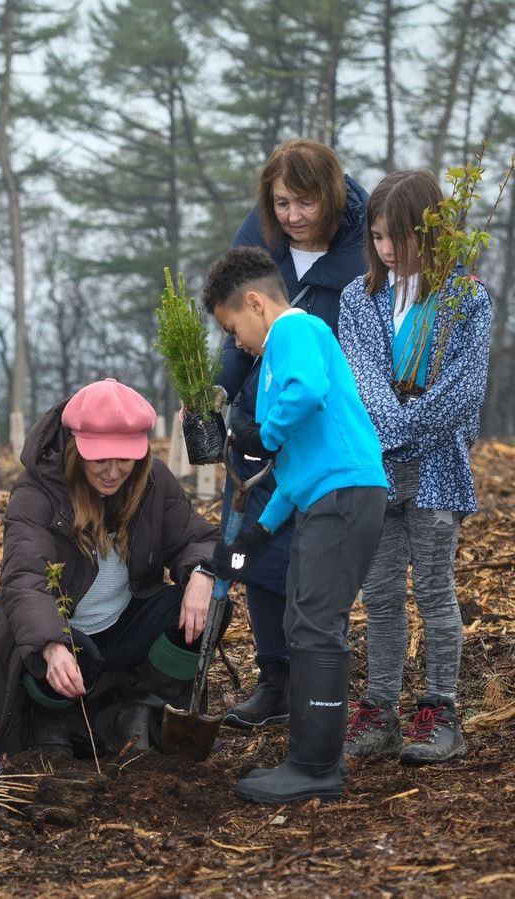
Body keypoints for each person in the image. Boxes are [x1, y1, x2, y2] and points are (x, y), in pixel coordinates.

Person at [203, 247, 387, 804]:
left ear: (255, 303)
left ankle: (315, 767)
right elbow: (295, 474)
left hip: (345, 495)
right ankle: (312, 760)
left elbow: (303, 395)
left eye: (233, 328)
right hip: (326, 496)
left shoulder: (293, 331)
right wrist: (255, 537)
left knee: (314, 625)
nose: (237, 343)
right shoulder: (282, 350)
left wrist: (263, 434)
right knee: (302, 616)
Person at [0, 378, 225, 758]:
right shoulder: (37, 492)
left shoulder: (154, 481)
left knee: (209, 610)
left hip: (122, 625)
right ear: (77, 449)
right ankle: (52, 721)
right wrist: (51, 644)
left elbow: (198, 538)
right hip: (65, 632)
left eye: (124, 459)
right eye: (100, 459)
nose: (112, 471)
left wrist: (201, 574)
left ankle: (141, 709)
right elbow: (24, 579)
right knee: (72, 651)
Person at [338, 169, 491, 765]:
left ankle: (440, 710)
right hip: (375, 472)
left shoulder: (463, 299)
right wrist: (393, 431)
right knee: (378, 594)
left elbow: (462, 392)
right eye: (377, 237)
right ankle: (378, 711)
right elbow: (363, 380)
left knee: (433, 589)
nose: (387, 250)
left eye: (399, 238)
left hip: (437, 469)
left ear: (430, 234)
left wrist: (402, 431)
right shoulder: (360, 298)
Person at [218, 138, 369, 730]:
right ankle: (275, 679)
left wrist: (272, 430)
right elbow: (234, 331)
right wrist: (217, 396)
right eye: (283, 203)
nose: (293, 216)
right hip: (266, 427)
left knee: (311, 565)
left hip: (323, 436)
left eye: (306, 203)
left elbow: (316, 380)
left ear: (330, 197)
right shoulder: (257, 237)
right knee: (257, 545)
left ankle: (318, 692)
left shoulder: (362, 250)